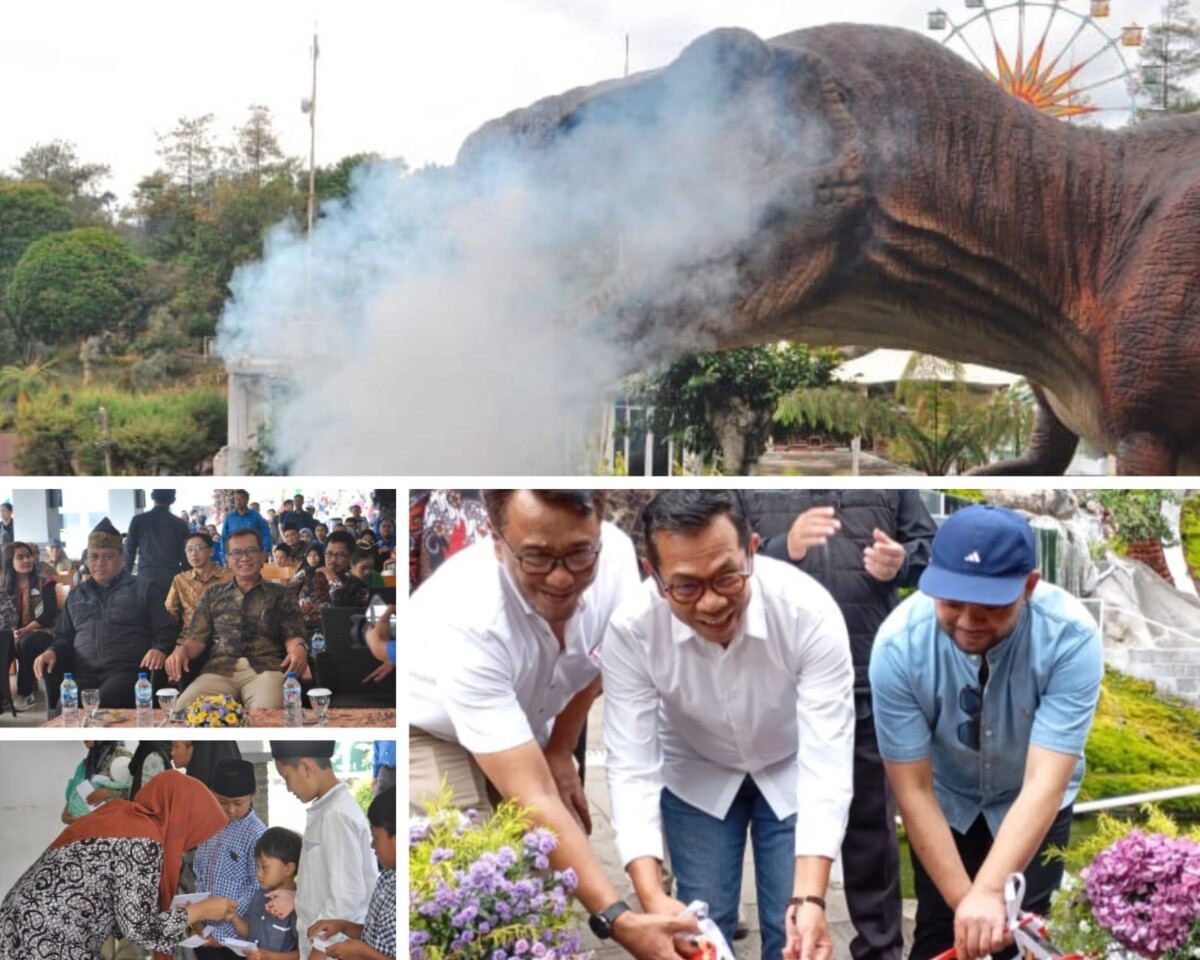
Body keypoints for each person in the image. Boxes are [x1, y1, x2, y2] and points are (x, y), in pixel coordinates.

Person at [409, 489, 694, 960]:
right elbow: (533, 796)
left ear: (599, 527)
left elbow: (599, 658)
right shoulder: (471, 614)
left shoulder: (615, 559)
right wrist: (619, 921)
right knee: (472, 885)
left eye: (580, 553)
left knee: (544, 874)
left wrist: (561, 747)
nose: (562, 578)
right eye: (537, 557)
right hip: (431, 729)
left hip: (521, 720)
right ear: (497, 540)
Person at [602, 491, 855, 960]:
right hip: (695, 770)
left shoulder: (808, 611)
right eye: (686, 587)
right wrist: (652, 898)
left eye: (726, 577)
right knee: (700, 928)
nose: (712, 602)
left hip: (791, 767)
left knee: (793, 930)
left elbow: (828, 762)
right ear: (653, 575)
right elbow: (631, 766)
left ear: (752, 550)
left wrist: (812, 899)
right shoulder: (631, 629)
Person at [869, 505, 1105, 960]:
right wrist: (971, 906)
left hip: (1030, 799)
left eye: (990, 605)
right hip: (946, 801)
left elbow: (1044, 782)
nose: (968, 621)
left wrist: (992, 893)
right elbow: (913, 788)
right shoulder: (898, 646)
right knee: (942, 929)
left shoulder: (1071, 637)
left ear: (1029, 585)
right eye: (952, 602)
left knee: (1028, 937)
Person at [743, 490, 937, 960]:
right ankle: (790, 947)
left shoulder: (891, 485)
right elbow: (724, 556)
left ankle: (880, 949)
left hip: (865, 678)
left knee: (872, 834)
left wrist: (903, 561)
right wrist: (781, 549)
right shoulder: (750, 484)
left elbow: (932, 553)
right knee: (785, 829)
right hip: (779, 688)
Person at [0, 770, 238, 960]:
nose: (190, 844)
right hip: (48, 934)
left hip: (23, 923)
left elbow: (124, 908)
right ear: (182, 819)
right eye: (195, 831)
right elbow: (138, 928)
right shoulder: (143, 841)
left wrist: (184, 918)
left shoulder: (122, 816)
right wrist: (202, 910)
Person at [34, 518, 178, 713]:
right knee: (66, 706)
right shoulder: (78, 594)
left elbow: (165, 630)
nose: (100, 563)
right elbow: (63, 637)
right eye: (94, 557)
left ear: (122, 558)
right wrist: (52, 651)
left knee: (104, 701)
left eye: (108, 557)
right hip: (84, 672)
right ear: (86, 560)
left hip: (128, 673)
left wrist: (159, 649)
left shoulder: (143, 589)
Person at [170, 528, 309, 709]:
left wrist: (299, 649)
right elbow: (196, 640)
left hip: (265, 670)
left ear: (263, 556)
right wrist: (181, 651)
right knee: (182, 711)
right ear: (227, 559)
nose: (244, 558)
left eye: (251, 551)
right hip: (219, 670)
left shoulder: (281, 594)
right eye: (236, 553)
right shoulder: (212, 594)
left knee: (267, 714)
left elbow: (294, 635)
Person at [269, 742, 379, 960]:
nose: (288, 788)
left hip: (331, 949)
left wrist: (318, 950)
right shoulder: (329, 809)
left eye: (286, 777)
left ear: (307, 768)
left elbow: (346, 896)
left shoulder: (336, 815)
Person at [306, 786, 396, 960]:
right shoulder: (386, 877)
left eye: (376, 837)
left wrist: (362, 952)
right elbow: (375, 935)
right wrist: (343, 926)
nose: (372, 845)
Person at [192, 759, 268, 960]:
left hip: (235, 940)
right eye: (223, 802)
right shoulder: (208, 825)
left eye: (238, 803)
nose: (230, 810)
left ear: (252, 795)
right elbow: (199, 872)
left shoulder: (256, 834)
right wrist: (197, 919)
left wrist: (221, 932)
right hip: (204, 933)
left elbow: (257, 888)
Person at [164, 532, 234, 679]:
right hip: (190, 641)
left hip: (223, 640)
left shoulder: (229, 577)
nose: (193, 553)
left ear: (211, 551)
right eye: (189, 549)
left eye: (198, 548)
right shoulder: (180, 580)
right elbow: (170, 614)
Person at [3, 541, 59, 712]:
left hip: (43, 631)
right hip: (14, 632)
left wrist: (24, 630)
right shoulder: (5, 584)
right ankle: (3, 696)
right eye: (20, 557)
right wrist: (12, 632)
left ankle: (25, 694)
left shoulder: (45, 581)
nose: (27, 560)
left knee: (27, 642)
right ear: (10, 561)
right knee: (2, 644)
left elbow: (48, 615)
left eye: (28, 556)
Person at [231, 827, 303, 960]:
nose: (258, 874)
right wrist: (234, 918)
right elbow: (249, 933)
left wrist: (269, 956)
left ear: (288, 869)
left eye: (264, 867)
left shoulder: (298, 906)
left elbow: (303, 953)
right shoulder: (259, 895)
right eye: (257, 866)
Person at [296, 531, 371, 630]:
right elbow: (285, 594)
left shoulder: (358, 587)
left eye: (340, 555)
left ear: (351, 557)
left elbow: (342, 616)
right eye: (329, 554)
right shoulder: (308, 573)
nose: (332, 560)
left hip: (333, 634)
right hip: (299, 631)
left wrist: (333, 580)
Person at [125, 489, 190, 597]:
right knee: (170, 607)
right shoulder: (180, 524)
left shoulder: (138, 520)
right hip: (172, 577)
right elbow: (186, 554)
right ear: (173, 500)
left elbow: (129, 551)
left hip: (146, 576)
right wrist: (190, 578)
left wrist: (124, 579)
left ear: (151, 496)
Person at [63, 741, 134, 823]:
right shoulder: (85, 765)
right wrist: (66, 813)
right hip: (84, 826)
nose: (85, 742)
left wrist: (108, 793)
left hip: (109, 825)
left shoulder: (122, 756)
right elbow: (74, 791)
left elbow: (134, 790)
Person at [221, 490, 273, 564]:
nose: (238, 502)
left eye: (241, 499)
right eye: (236, 499)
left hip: (253, 554)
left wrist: (264, 550)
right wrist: (225, 557)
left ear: (247, 500)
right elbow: (224, 538)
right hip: (236, 555)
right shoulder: (229, 518)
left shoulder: (256, 516)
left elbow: (266, 534)